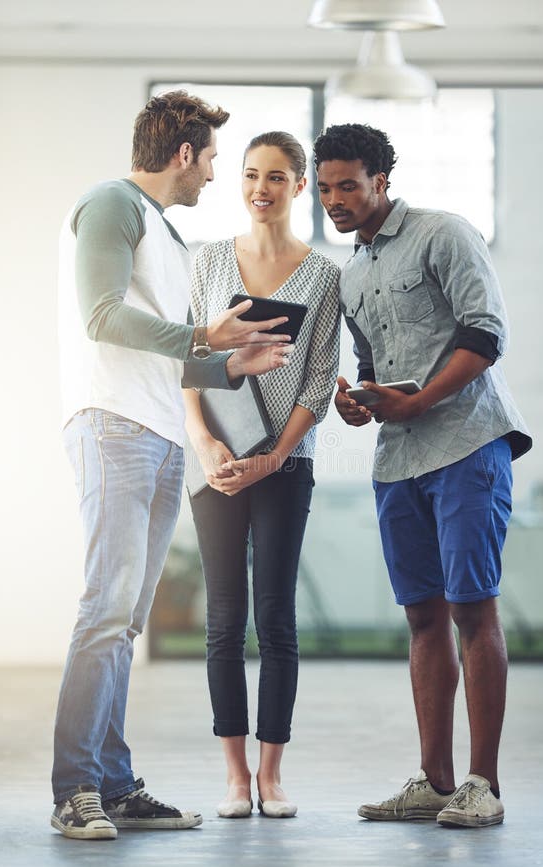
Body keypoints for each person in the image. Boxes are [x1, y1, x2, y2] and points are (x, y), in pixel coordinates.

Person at [53, 91, 295, 841]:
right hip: (113, 427)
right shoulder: (111, 204)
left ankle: (116, 786)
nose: (217, 175)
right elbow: (102, 316)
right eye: (214, 158)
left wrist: (230, 363)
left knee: (124, 622)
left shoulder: (164, 234)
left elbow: (169, 357)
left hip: (157, 434)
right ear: (183, 153)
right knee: (104, 612)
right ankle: (75, 790)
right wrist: (203, 335)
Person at [314, 123, 532, 828]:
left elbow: (484, 334)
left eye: (348, 184)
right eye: (324, 188)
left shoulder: (444, 233)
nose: (335, 200)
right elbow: (376, 369)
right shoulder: (351, 274)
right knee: (422, 615)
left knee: (474, 609)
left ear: (381, 179)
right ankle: (436, 781)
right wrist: (360, 403)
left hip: (468, 446)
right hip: (399, 461)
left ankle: (483, 783)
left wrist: (419, 401)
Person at [183, 131, 340, 819]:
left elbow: (318, 378)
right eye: (250, 174)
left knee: (276, 618)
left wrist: (275, 456)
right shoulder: (208, 261)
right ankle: (234, 777)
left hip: (283, 463)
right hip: (216, 461)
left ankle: (272, 776)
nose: (260, 188)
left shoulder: (324, 275)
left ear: (299, 186)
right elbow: (186, 357)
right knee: (223, 621)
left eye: (277, 176)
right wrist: (204, 441)